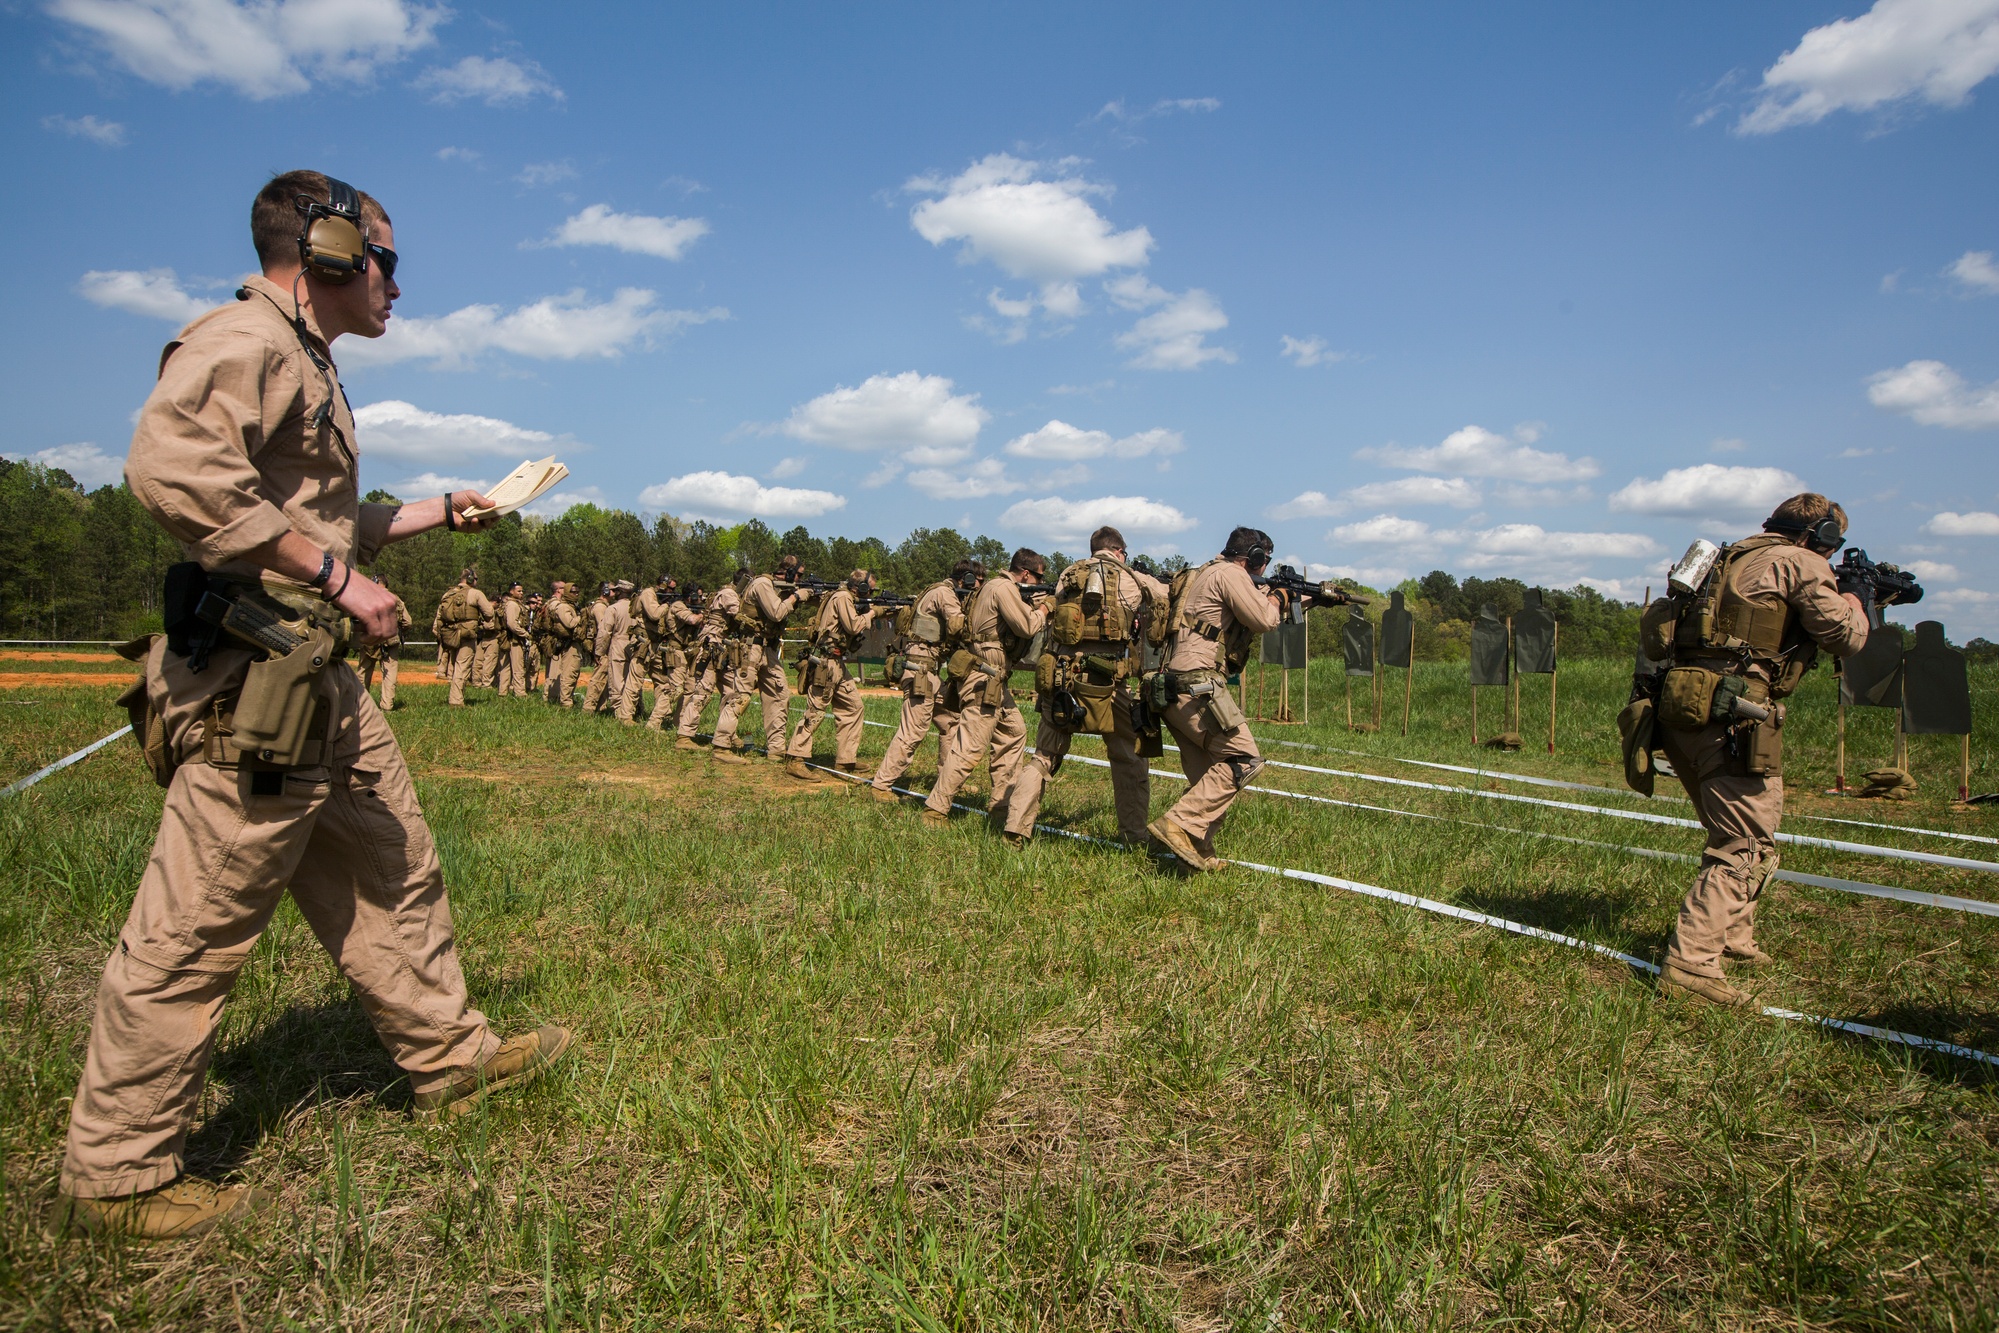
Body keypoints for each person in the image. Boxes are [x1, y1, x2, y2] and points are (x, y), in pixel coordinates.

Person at [55, 170, 572, 1242]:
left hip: (314, 673)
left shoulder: (309, 361)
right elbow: (169, 472)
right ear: (331, 250)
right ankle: (118, 1174)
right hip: (267, 681)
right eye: (389, 261)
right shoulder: (244, 343)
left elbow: (320, 521)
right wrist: (337, 581)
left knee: (392, 863)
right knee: (200, 919)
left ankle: (450, 1058)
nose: (398, 286)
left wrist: (440, 509)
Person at [1651, 493, 1869, 1006]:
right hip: (1733, 714)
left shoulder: (1722, 558)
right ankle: (1691, 964)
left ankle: (1733, 936)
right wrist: (1857, 599)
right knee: (1744, 842)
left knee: (1745, 825)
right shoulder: (1801, 562)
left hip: (1683, 710)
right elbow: (1842, 634)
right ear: (1823, 538)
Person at [1006, 527, 1168, 849]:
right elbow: (1164, 595)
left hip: (1064, 679)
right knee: (1130, 759)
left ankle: (1015, 829)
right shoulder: (1130, 578)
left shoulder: (1069, 573)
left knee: (1043, 757)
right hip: (1109, 685)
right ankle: (1134, 838)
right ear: (1119, 551)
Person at [1149, 527, 1289, 871]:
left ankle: (1198, 853)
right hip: (1198, 684)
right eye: (1264, 562)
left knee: (1209, 779)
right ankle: (1178, 823)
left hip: (1171, 685)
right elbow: (1263, 619)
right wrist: (1280, 598)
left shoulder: (1203, 571)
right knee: (1243, 759)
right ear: (1254, 557)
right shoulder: (1231, 573)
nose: (1264, 569)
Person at [922, 549, 1048, 828]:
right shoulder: (1003, 587)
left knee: (1013, 733)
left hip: (991, 678)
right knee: (971, 745)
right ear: (1026, 573)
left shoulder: (994, 588)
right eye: (1039, 577)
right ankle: (935, 809)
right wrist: (1045, 608)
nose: (1040, 582)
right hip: (984, 677)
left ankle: (1001, 804)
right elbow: (1027, 626)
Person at [870, 561, 980, 802]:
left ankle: (948, 781)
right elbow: (957, 625)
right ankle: (881, 785)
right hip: (920, 669)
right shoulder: (944, 593)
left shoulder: (939, 590)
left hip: (927, 669)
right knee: (913, 730)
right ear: (967, 579)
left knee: (951, 720)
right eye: (977, 582)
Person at [717, 556, 817, 758]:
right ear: (787, 572)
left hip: (769, 649)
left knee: (779, 696)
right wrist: (796, 597)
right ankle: (721, 746)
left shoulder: (778, 588)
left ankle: (776, 749)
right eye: (798, 575)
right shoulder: (763, 583)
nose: (799, 579)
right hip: (751, 648)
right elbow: (777, 613)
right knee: (741, 698)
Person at [784, 569, 878, 780]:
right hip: (827, 664)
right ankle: (795, 759)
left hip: (836, 663)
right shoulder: (843, 597)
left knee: (853, 707)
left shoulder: (843, 596)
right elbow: (854, 626)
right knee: (815, 711)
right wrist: (873, 613)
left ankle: (845, 760)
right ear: (860, 587)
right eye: (869, 590)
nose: (870, 594)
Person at [677, 572, 750, 758]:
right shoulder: (729, 594)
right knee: (703, 692)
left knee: (732, 693)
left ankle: (728, 735)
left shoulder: (729, 594)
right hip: (712, 646)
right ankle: (684, 736)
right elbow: (738, 615)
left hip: (723, 648)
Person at [352, 574, 412, 710]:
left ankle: (360, 704)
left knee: (363, 672)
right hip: (390, 640)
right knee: (389, 674)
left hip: (369, 640)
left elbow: (356, 619)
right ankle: (387, 705)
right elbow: (408, 621)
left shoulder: (366, 598)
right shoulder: (395, 599)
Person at [438, 568, 493, 707]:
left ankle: (456, 696)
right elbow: (489, 612)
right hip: (467, 633)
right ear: (470, 579)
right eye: (476, 579)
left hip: (450, 633)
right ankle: (456, 701)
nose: (476, 582)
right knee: (462, 666)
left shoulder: (448, 593)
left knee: (455, 665)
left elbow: (440, 614)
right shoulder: (475, 593)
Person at [544, 582, 584, 706]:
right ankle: (566, 702)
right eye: (573, 592)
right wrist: (582, 617)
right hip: (568, 644)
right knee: (569, 674)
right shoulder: (563, 607)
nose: (576, 594)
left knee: (572, 673)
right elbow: (570, 623)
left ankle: (564, 699)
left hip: (573, 644)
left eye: (577, 592)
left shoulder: (572, 606)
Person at [582, 584, 620, 713]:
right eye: (613, 590)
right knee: (598, 678)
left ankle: (600, 707)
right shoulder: (600, 607)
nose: (615, 592)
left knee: (605, 679)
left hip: (606, 647)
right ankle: (588, 708)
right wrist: (600, 651)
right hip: (603, 648)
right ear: (605, 591)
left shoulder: (604, 606)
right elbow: (603, 629)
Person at [498, 581, 531, 697]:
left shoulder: (512, 604)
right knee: (518, 667)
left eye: (522, 591)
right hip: (514, 640)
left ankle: (502, 692)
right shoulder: (512, 605)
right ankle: (520, 692)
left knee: (506, 667)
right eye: (519, 591)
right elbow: (512, 624)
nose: (521, 593)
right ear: (511, 592)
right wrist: (525, 634)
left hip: (510, 638)